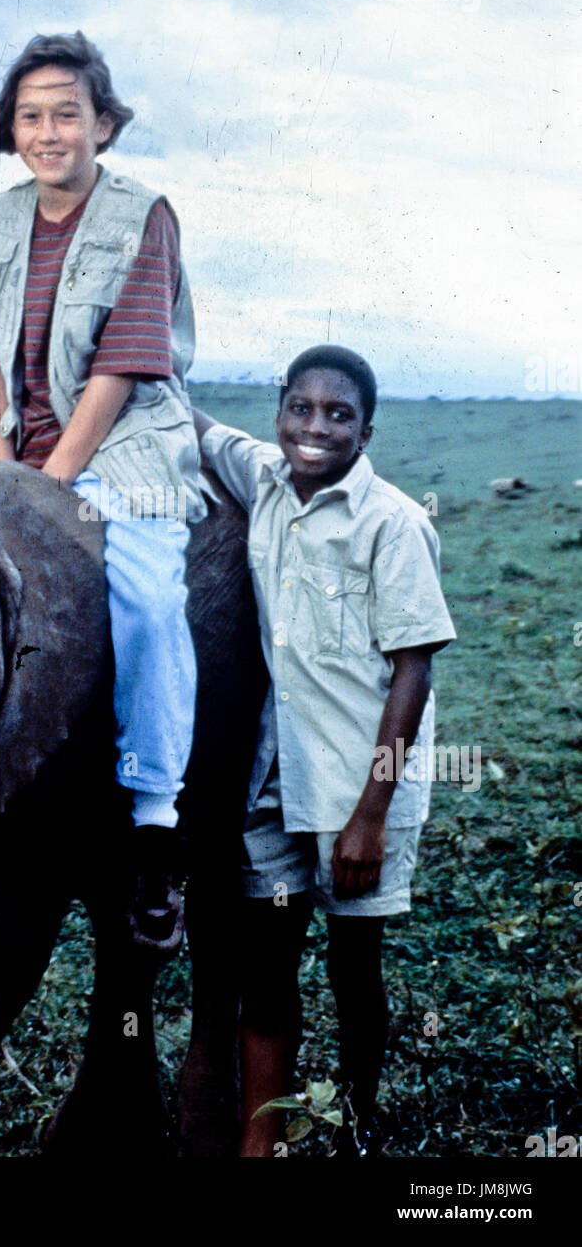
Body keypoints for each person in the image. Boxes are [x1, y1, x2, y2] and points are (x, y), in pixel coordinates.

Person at [0, 31, 208, 947]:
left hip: (120, 431)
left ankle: (154, 825)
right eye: (29, 115)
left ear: (103, 125)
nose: (47, 131)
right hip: (4, 432)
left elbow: (124, 362)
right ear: (10, 128)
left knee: (149, 600)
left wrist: (44, 485)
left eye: (67, 112)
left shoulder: (145, 214)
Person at [194, 345, 456, 1156]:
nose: (315, 427)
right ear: (278, 413)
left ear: (365, 429)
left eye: (337, 414)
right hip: (276, 782)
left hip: (359, 787)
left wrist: (368, 817)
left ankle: (357, 1122)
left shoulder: (393, 523)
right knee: (266, 971)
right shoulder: (264, 480)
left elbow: (410, 671)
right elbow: (198, 428)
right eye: (299, 409)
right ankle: (259, 1144)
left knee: (352, 969)